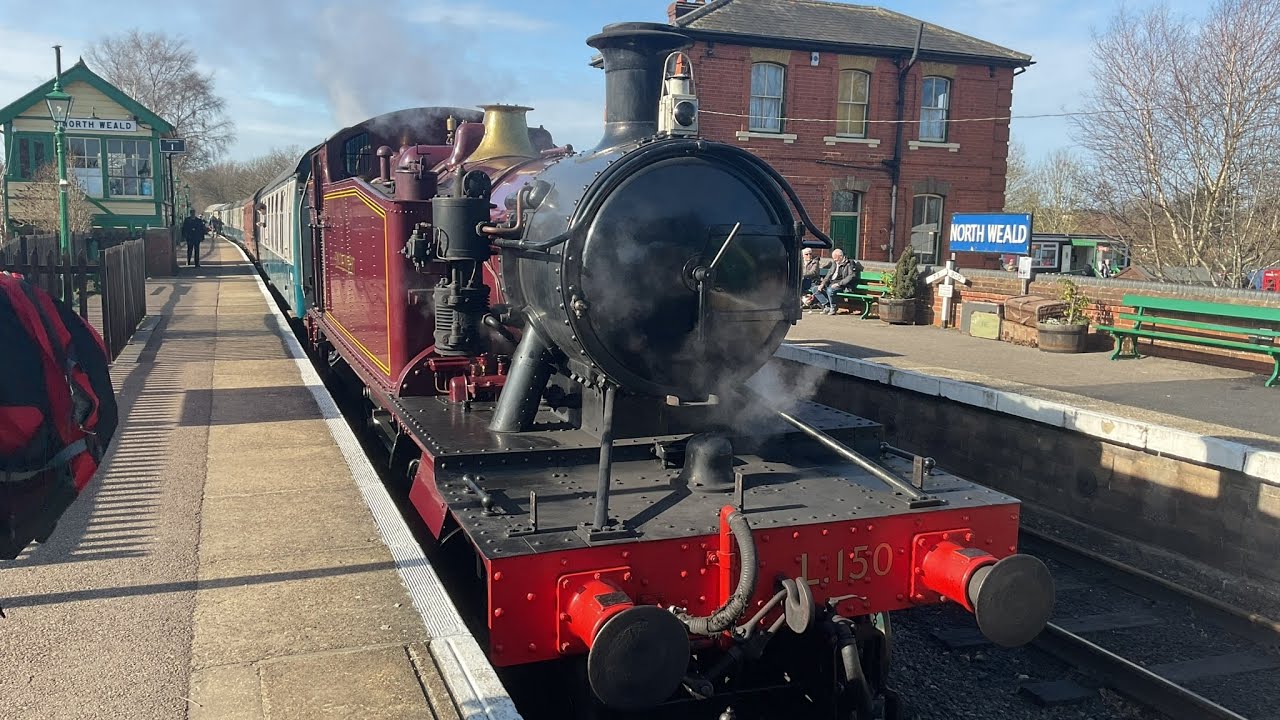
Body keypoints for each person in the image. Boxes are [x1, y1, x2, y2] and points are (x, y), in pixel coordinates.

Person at [811, 249, 862, 316]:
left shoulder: (850, 263)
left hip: (843, 285)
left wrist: (838, 284)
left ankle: (833, 308)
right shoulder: (835, 263)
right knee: (815, 289)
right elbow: (829, 274)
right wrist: (822, 284)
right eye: (833, 259)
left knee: (830, 290)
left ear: (841, 256)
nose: (834, 260)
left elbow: (851, 276)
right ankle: (827, 305)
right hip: (831, 283)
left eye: (836, 258)